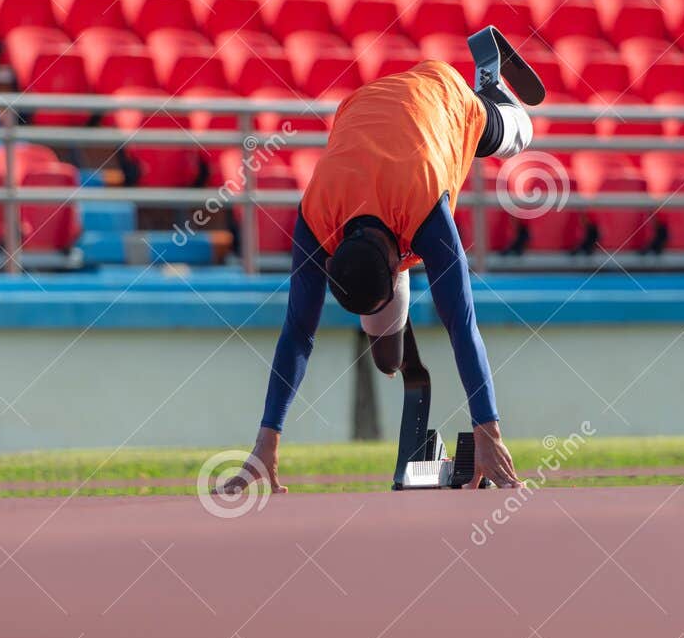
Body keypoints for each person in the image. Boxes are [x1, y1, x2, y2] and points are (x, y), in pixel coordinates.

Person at [225, 53, 540, 494]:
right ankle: (409, 403)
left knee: (516, 134)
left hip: (443, 96)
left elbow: (461, 323)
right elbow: (298, 331)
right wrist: (266, 442)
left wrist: (488, 432)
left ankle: (491, 85)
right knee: (388, 361)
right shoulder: (318, 216)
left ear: (399, 268)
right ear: (332, 257)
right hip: (363, 108)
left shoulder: (426, 210)